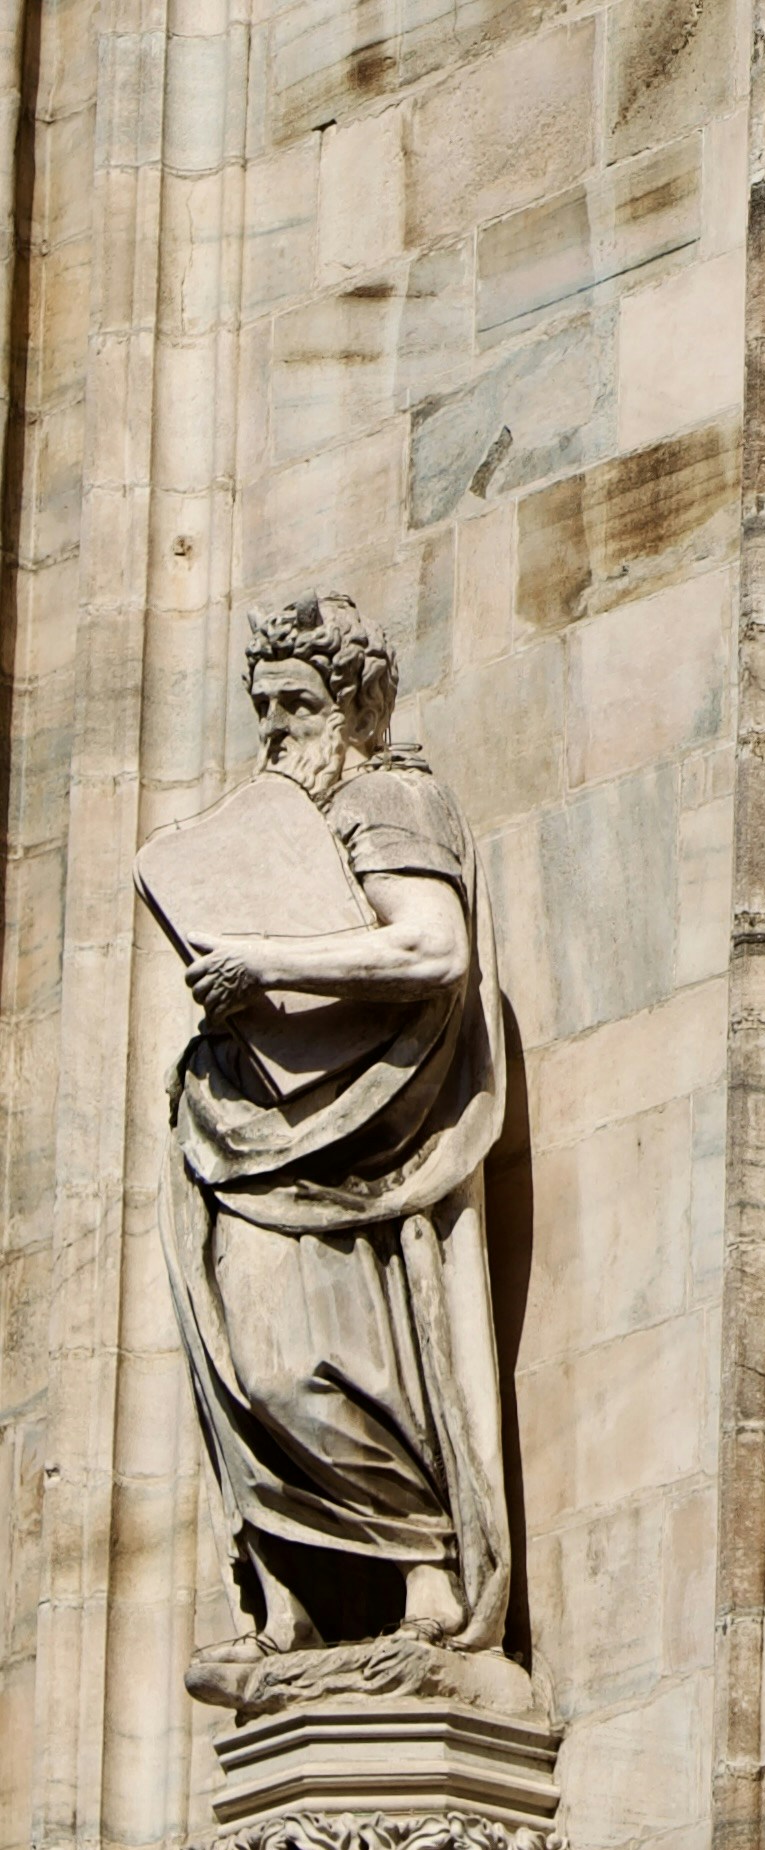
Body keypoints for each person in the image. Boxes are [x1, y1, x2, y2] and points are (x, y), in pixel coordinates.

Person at [154, 594, 512, 1678]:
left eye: (299, 702)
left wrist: (265, 961)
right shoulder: (284, 823)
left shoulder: (393, 798)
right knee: (244, 1363)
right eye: (263, 704)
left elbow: (430, 949)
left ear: (354, 706)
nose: (276, 726)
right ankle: (291, 1606)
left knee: (303, 1365)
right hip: (256, 1128)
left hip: (364, 1146)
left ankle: (427, 1572)